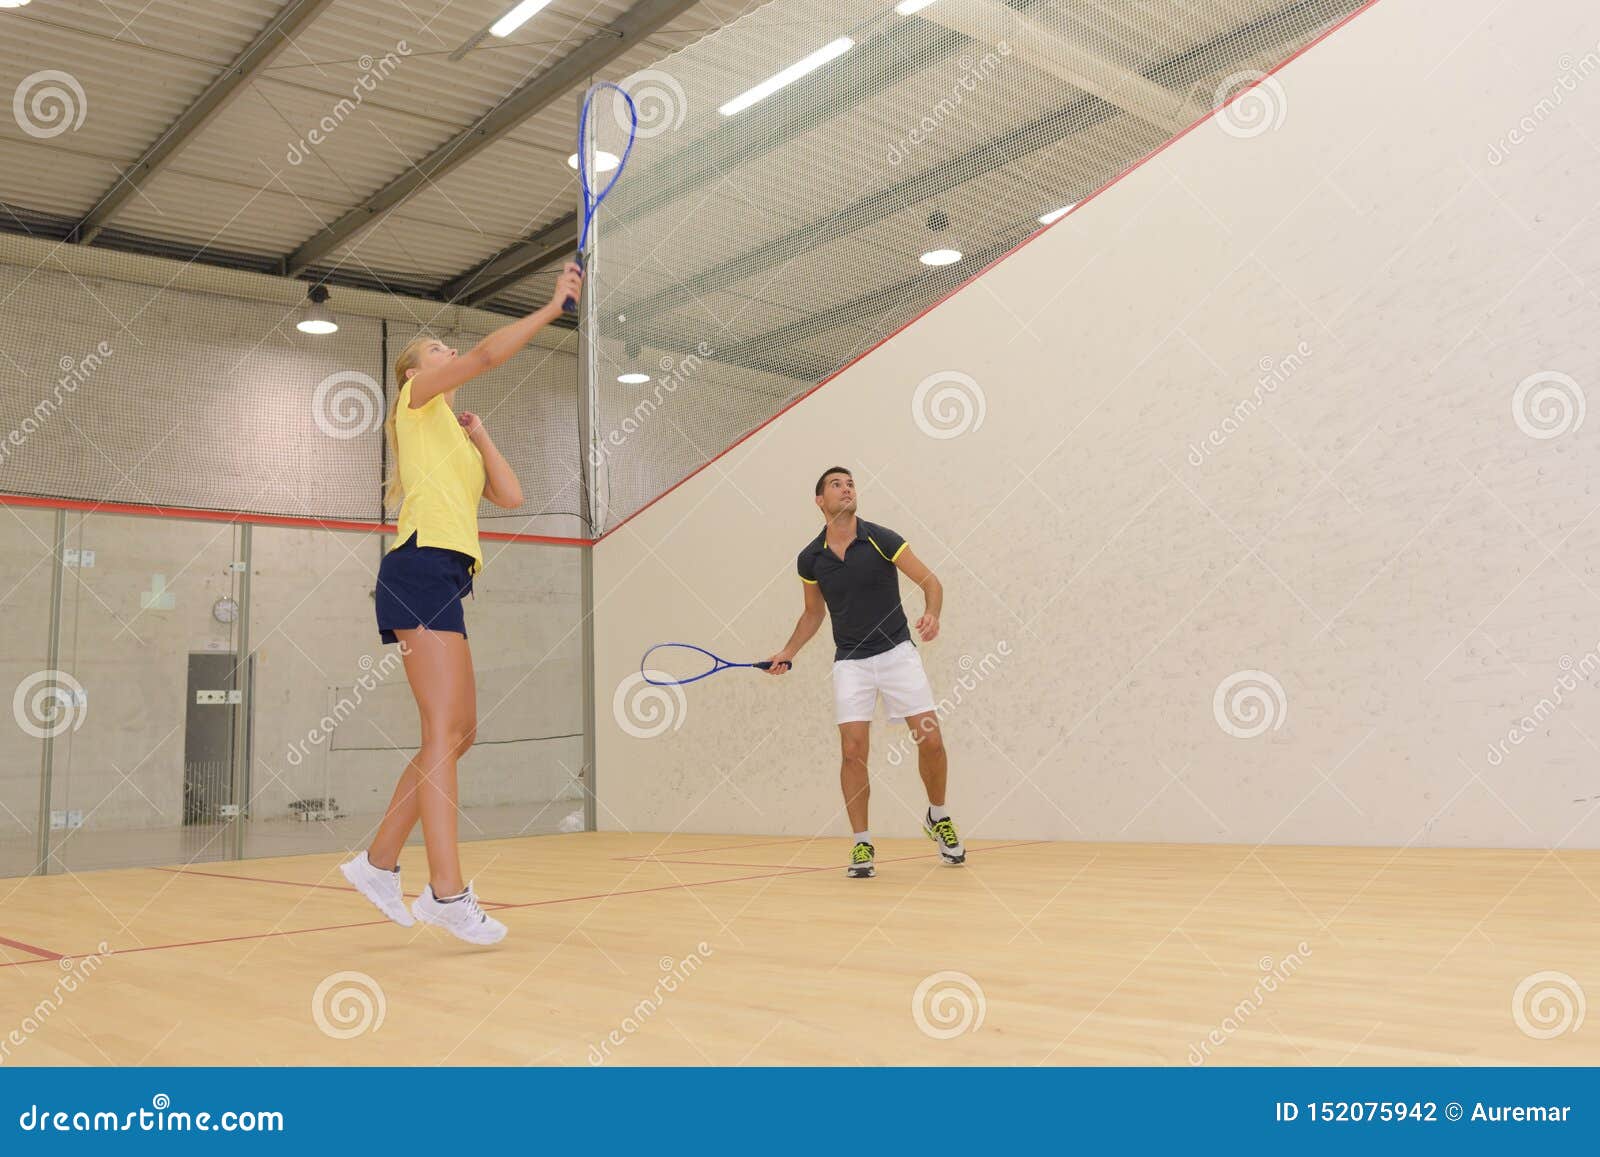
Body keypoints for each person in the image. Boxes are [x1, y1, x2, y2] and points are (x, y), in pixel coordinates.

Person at [340, 263, 583, 944]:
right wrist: (550, 307)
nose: (447, 354)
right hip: (415, 570)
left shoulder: (454, 433)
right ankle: (444, 891)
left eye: (444, 351)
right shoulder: (415, 398)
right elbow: (483, 355)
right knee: (442, 732)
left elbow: (509, 495)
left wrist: (481, 435)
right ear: (415, 371)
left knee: (460, 732)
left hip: (448, 579)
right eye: (435, 350)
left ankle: (377, 861)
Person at [765, 466, 965, 878]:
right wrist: (788, 651)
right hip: (850, 663)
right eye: (836, 485)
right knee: (853, 752)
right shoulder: (811, 558)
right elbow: (813, 613)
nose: (846, 488)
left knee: (931, 740)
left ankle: (938, 816)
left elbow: (931, 582)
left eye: (851, 483)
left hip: (897, 654)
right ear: (820, 501)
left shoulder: (880, 538)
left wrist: (932, 613)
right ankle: (861, 844)